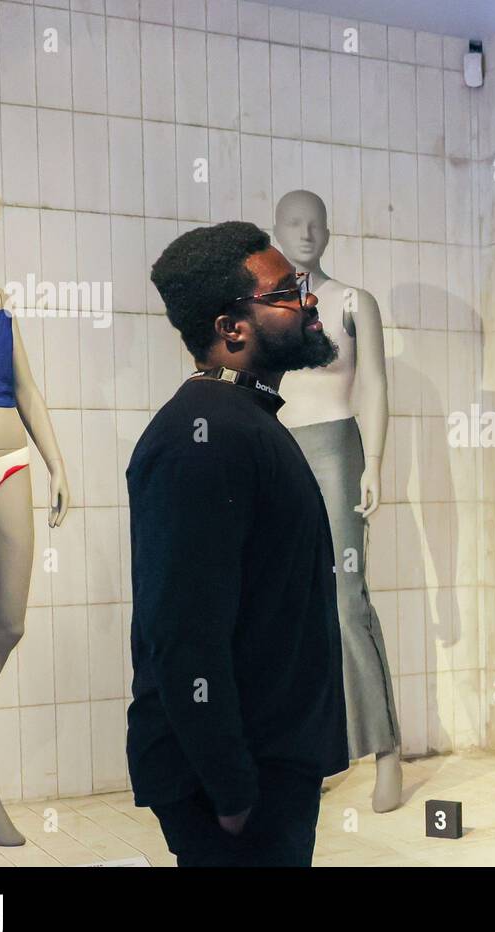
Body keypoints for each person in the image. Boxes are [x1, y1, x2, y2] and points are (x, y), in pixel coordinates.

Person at [126, 220, 348, 866]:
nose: (308, 301)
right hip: (233, 778)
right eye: (285, 293)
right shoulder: (204, 437)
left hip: (265, 760)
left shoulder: (240, 421)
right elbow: (184, 628)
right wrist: (232, 787)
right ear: (232, 329)